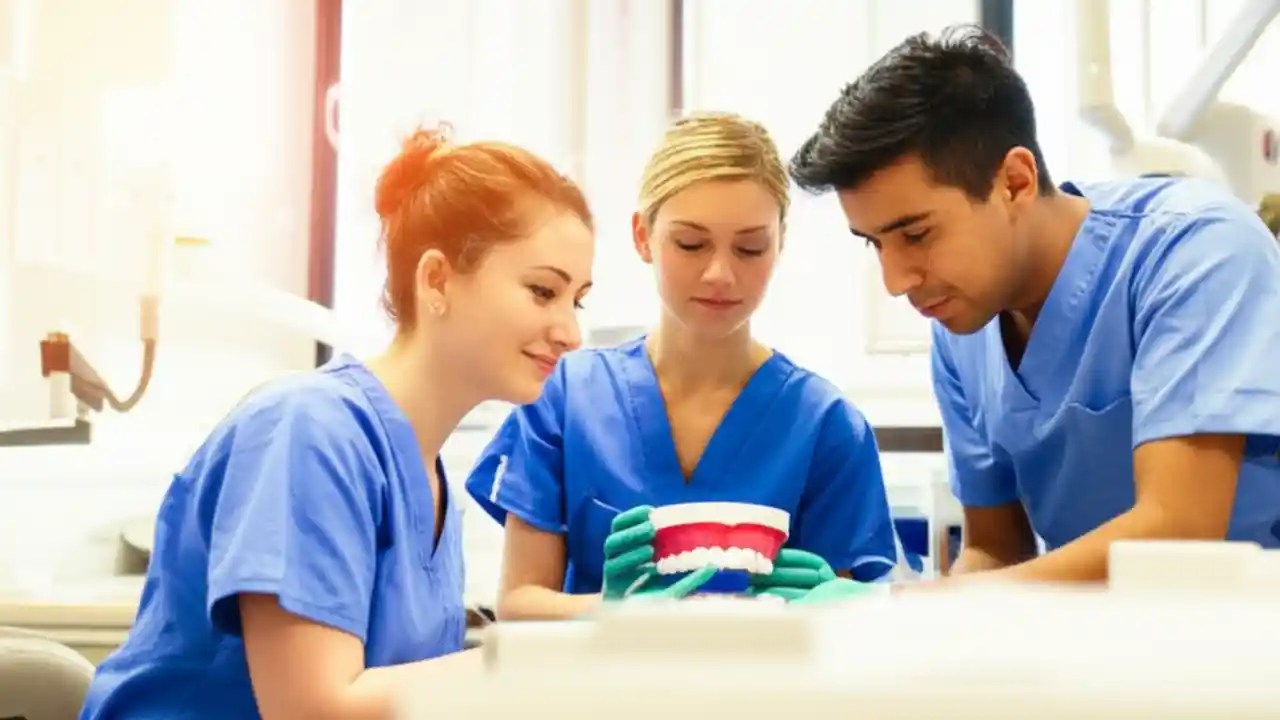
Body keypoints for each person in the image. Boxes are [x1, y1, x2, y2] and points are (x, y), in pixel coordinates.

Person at [79, 127, 599, 719]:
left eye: (576, 300)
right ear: (436, 279)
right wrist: (552, 660)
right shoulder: (308, 432)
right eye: (542, 291)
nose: (570, 331)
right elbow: (313, 711)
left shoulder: (427, 482)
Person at [788, 25, 1280, 586]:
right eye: (874, 242)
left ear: (1015, 182)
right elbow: (997, 550)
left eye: (917, 234)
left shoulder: (1196, 249)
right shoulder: (960, 326)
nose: (896, 280)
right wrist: (937, 605)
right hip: (1087, 648)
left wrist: (960, 605)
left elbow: (1179, 531)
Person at [465, 111, 906, 620]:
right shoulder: (565, 397)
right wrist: (612, 612)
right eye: (691, 244)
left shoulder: (826, 425)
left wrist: (838, 609)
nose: (720, 273)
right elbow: (520, 606)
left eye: (750, 247)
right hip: (594, 696)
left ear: (780, 242)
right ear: (641, 236)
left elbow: (848, 636)